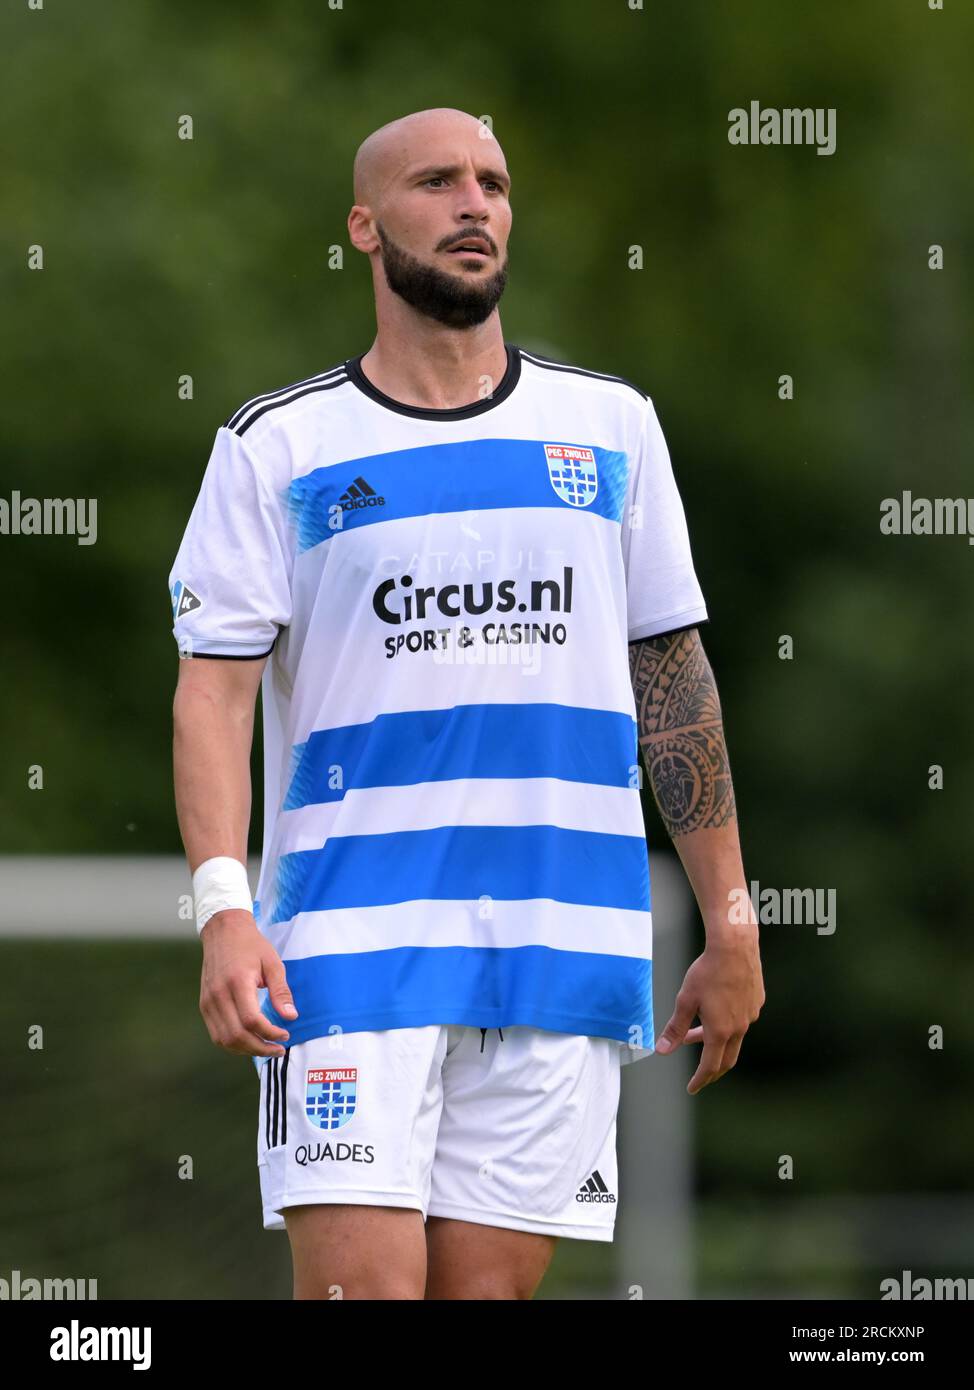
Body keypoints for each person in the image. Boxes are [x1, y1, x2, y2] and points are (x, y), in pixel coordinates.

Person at [169, 106, 764, 1301]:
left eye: (490, 182)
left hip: (561, 945)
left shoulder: (610, 430)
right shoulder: (276, 448)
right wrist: (222, 909)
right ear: (362, 224)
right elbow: (212, 695)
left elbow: (673, 681)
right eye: (435, 181)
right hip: (345, 954)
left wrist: (731, 915)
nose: (471, 204)